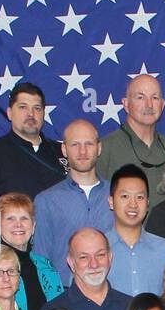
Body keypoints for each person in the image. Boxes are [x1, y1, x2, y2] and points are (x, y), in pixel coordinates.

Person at [33, 119, 114, 282]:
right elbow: (41, 261)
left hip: (113, 295)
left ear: (99, 148)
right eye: (75, 145)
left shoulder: (119, 195)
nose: (82, 151)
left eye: (89, 144)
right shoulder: (46, 201)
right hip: (64, 298)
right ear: (64, 149)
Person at [96, 73, 165, 209]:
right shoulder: (105, 148)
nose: (149, 105)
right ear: (126, 104)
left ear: (162, 105)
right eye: (140, 97)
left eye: (155, 98)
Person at [0, 81, 66, 203]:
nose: (31, 114)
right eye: (23, 107)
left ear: (43, 114)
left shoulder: (62, 151)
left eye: (37, 108)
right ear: (9, 113)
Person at [105, 164, 165, 297]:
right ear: (111, 202)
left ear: (147, 204)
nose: (133, 204)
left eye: (140, 197)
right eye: (125, 196)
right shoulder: (97, 250)